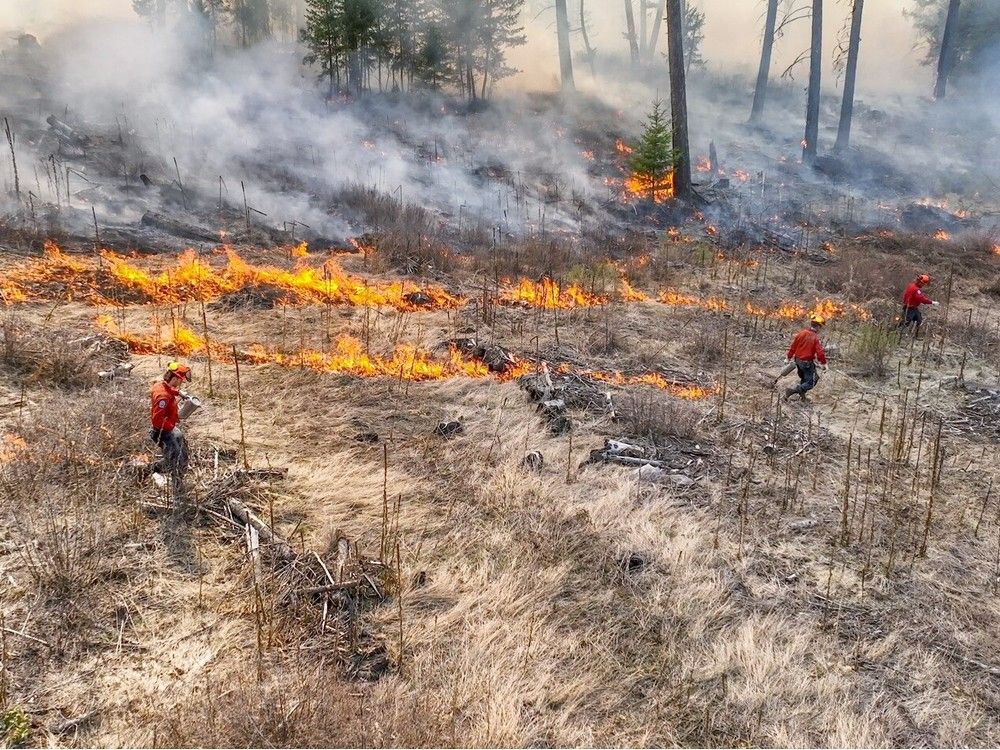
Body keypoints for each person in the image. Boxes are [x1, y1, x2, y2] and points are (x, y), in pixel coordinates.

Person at [150, 361, 191, 479]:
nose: (181, 382)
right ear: (175, 379)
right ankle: (150, 469)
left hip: (170, 428)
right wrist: (171, 425)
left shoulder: (160, 385)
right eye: (181, 380)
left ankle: (179, 465)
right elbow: (157, 420)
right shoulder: (162, 396)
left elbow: (167, 389)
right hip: (163, 432)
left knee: (183, 451)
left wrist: (178, 393)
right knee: (176, 461)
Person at [783, 315, 828, 402]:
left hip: (798, 361)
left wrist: (788, 358)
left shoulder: (801, 333)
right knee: (813, 381)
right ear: (818, 326)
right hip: (806, 363)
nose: (820, 329)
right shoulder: (815, 337)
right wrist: (824, 363)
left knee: (805, 380)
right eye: (820, 327)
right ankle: (792, 391)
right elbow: (820, 352)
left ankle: (802, 398)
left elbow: (793, 347)